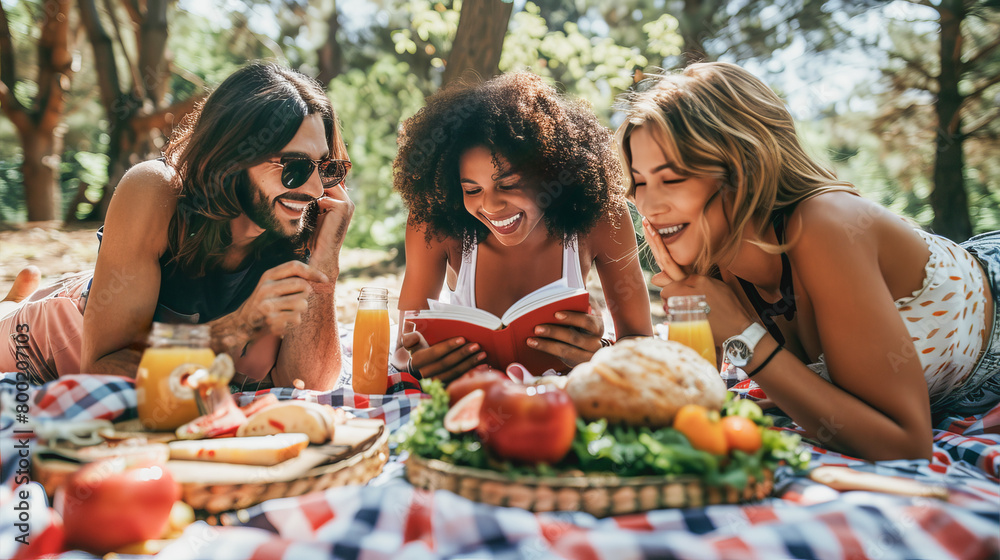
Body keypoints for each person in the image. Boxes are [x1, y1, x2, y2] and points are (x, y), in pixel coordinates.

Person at [618, 61, 1000, 461]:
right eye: (640, 181)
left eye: (673, 178)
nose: (648, 204)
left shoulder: (825, 225)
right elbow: (693, 408)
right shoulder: (711, 257)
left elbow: (905, 444)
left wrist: (743, 337)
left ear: (745, 167)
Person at [1, 62, 354, 391]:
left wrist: (325, 268)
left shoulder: (294, 223)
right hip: (43, 344)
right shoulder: (155, 190)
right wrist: (234, 328)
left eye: (325, 168)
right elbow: (102, 369)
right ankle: (14, 302)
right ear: (232, 157)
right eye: (294, 166)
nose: (315, 190)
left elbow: (309, 383)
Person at [392, 72, 653, 382]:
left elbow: (640, 342)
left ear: (549, 170)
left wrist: (602, 352)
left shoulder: (602, 215)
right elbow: (402, 350)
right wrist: (415, 363)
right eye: (472, 190)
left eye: (509, 183)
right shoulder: (433, 223)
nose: (491, 206)